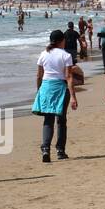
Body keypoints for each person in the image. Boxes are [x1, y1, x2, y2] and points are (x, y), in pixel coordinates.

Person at [33, 30, 77, 162]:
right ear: (61, 40)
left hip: (46, 87)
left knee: (48, 119)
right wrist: (74, 96)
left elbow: (39, 75)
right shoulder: (66, 55)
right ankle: (60, 150)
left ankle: (45, 149)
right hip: (60, 88)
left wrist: (39, 91)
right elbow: (69, 77)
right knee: (61, 120)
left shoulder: (43, 54)